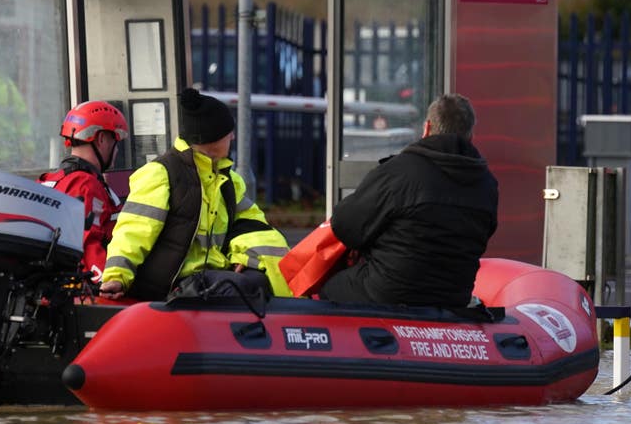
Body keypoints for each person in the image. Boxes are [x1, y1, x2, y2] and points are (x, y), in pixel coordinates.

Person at [100, 88, 292, 301]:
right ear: (214, 138)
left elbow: (253, 227)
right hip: (172, 285)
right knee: (238, 289)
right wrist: (117, 277)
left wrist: (245, 259)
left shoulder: (229, 180)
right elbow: (133, 231)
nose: (233, 136)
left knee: (257, 284)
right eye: (229, 132)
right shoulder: (161, 173)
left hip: (210, 277)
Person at [318, 93, 499, 308]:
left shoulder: (400, 171)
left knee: (329, 288)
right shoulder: (487, 184)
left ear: (427, 128)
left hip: (388, 293)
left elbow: (345, 225)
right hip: (452, 299)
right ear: (471, 135)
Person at [39, 101, 128, 282]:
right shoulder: (85, 184)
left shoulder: (55, 179)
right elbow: (86, 244)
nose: (117, 150)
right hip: (89, 293)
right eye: (115, 141)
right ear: (101, 138)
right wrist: (111, 281)